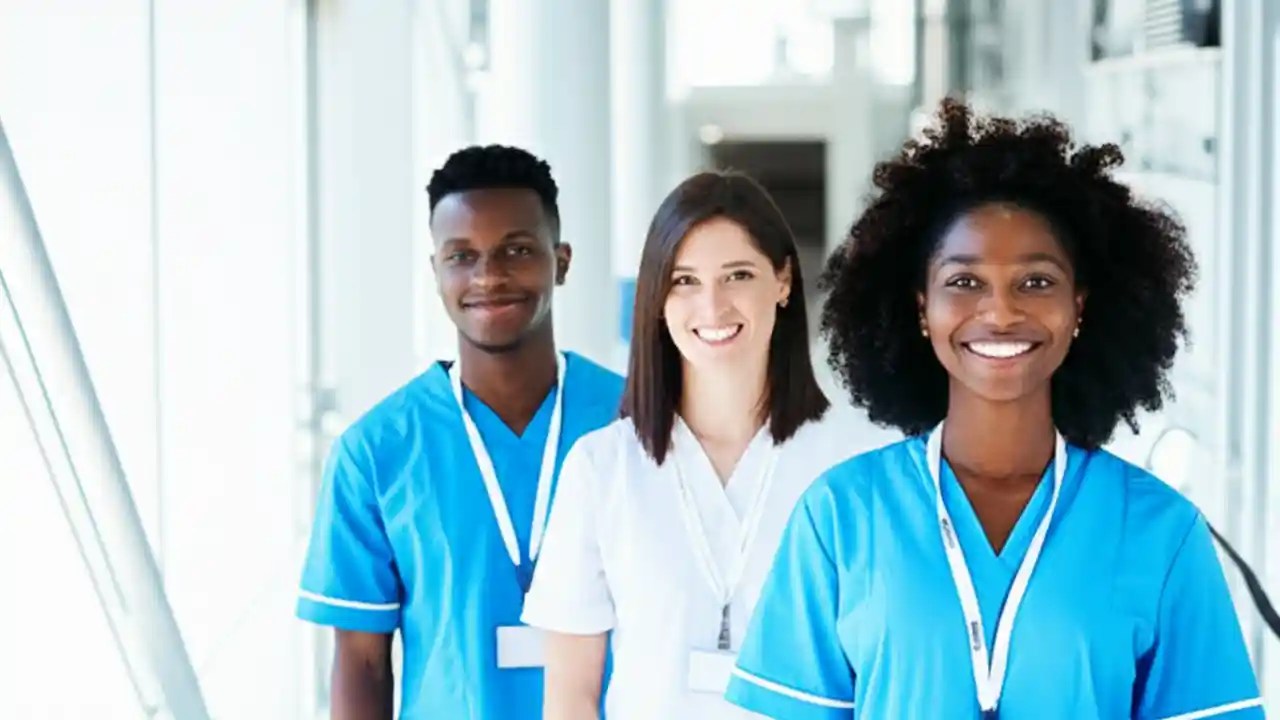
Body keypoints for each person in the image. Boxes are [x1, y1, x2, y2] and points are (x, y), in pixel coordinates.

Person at [723, 98, 1264, 720]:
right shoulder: (842, 516)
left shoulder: (1161, 532)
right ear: (921, 308)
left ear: (1080, 308)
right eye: (964, 282)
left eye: (1036, 282)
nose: (1001, 312)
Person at [520, 170, 884, 720]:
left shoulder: (856, 458)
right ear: (657, 298)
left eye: (737, 275)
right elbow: (570, 695)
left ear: (783, 281)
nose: (712, 307)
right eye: (685, 281)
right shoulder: (603, 468)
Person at [295, 144, 625, 719]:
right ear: (437, 272)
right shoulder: (375, 452)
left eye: (517, 250)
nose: (489, 276)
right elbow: (362, 661)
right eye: (462, 256)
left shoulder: (638, 420)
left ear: (562, 261)